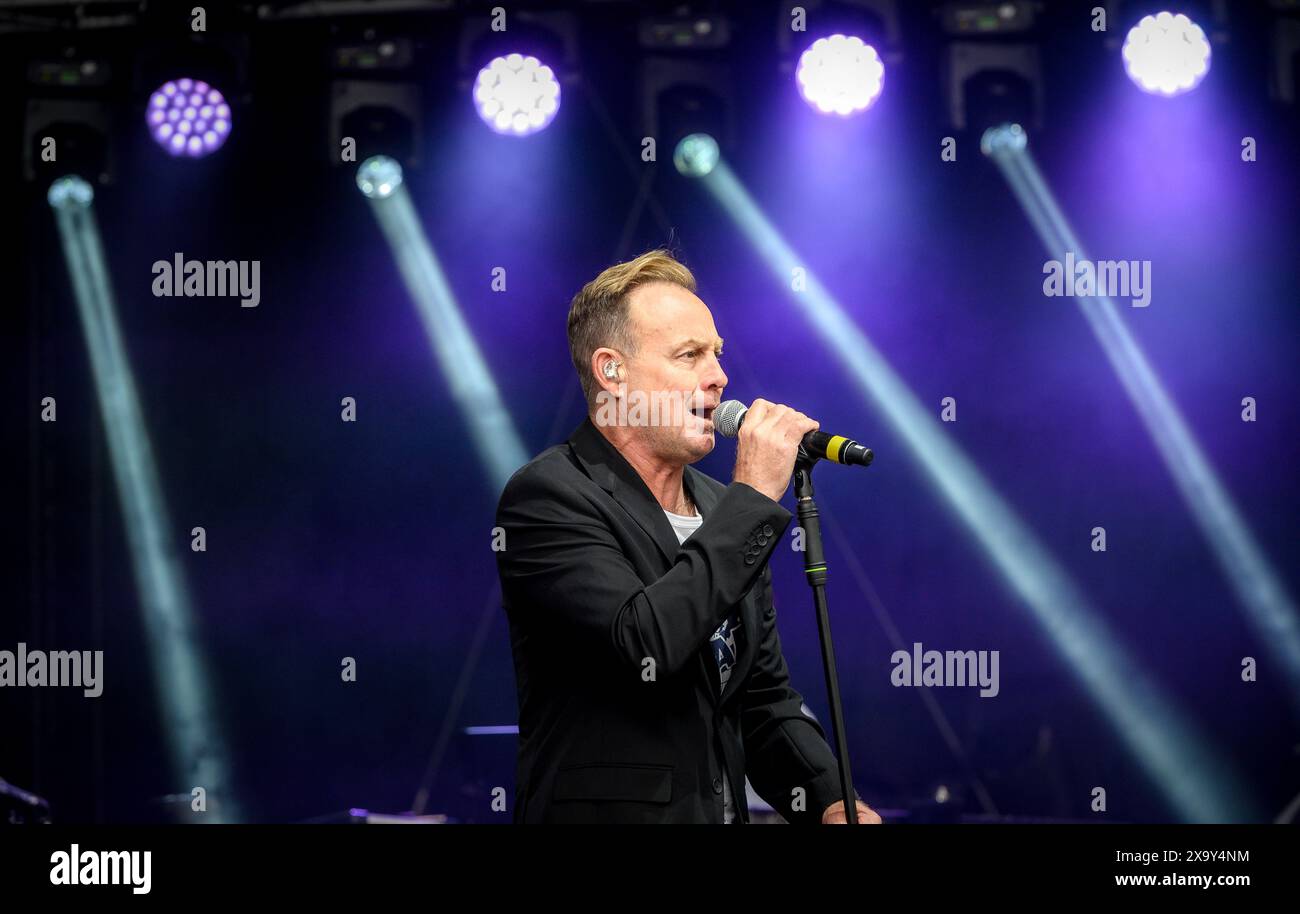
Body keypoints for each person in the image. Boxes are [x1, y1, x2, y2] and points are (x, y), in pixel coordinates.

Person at [494, 249, 880, 824]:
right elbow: (643, 644)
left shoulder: (724, 507)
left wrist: (830, 800)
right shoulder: (549, 497)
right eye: (689, 354)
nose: (719, 375)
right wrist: (752, 497)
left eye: (717, 354)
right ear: (612, 371)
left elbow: (763, 701)